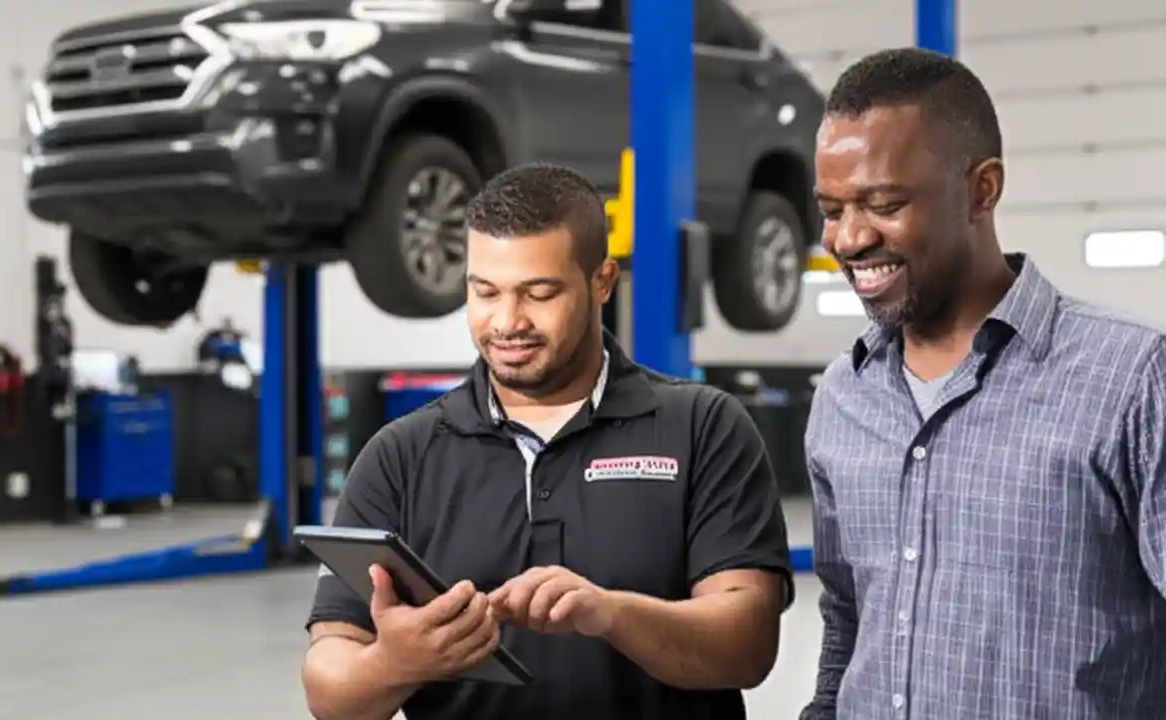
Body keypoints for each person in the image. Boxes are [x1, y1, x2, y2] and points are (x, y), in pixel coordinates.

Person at [300, 162, 793, 720]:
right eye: (485, 292)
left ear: (601, 281)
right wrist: (393, 664)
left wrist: (609, 614)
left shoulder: (703, 428)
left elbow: (748, 645)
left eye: (538, 293)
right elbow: (329, 685)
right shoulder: (400, 457)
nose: (507, 322)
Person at [801, 46, 1166, 719]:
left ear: (982, 189)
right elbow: (848, 619)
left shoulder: (1132, 378)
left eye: (883, 204)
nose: (849, 239)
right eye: (831, 210)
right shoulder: (841, 398)